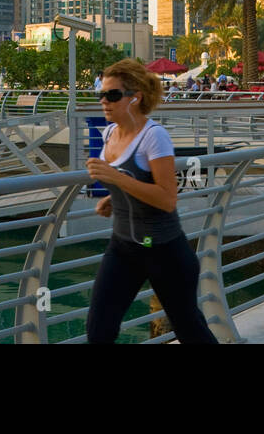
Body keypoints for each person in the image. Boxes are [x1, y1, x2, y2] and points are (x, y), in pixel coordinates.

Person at [85, 59, 219, 343]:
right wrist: (114, 196)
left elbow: (168, 198)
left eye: (112, 95)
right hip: (123, 249)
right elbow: (136, 181)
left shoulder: (154, 136)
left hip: (163, 250)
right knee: (99, 328)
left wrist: (117, 180)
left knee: (189, 329)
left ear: (135, 98)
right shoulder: (109, 133)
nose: (104, 102)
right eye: (101, 94)